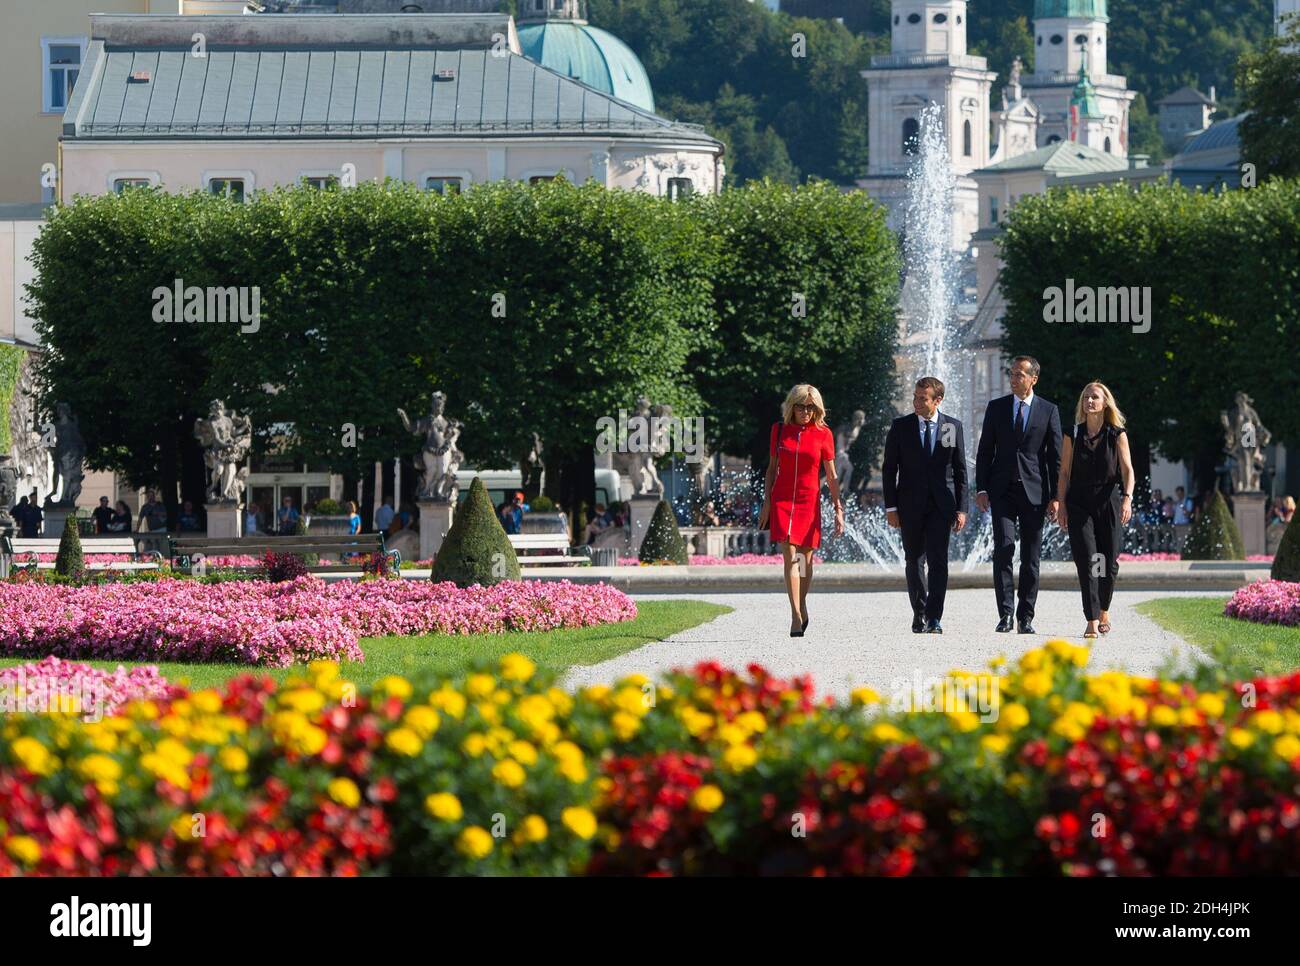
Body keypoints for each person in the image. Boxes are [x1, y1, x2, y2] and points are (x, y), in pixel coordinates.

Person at [975, 355, 1063, 634]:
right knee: (1003, 549)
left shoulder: (1048, 410)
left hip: (1035, 492)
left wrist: (1057, 496)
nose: (1013, 379)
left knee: (1031, 557)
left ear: (1033, 378)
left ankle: (1026, 618)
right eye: (1011, 374)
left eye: (1019, 375)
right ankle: (1005, 615)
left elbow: (1056, 458)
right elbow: (985, 450)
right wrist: (982, 487)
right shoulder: (997, 408)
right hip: (1002, 491)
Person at [883, 376, 968, 634]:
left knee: (938, 561)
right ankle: (918, 612)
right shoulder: (901, 426)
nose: (916, 402)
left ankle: (934, 617)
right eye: (915, 397)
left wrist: (962, 508)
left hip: (942, 506)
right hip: (909, 505)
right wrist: (891, 508)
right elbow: (889, 470)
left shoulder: (951, 427)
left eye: (923, 398)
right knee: (914, 560)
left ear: (937, 400)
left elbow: (960, 470)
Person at [758, 384, 845, 638]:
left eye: (810, 407)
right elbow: (772, 469)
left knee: (806, 561)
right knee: (790, 555)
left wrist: (838, 508)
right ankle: (795, 615)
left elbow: (831, 476)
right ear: (791, 406)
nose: (806, 411)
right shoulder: (779, 431)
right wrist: (766, 503)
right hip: (782, 499)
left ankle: (802, 602)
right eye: (800, 406)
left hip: (809, 500)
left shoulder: (823, 434)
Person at [1055, 382, 1135, 639]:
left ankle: (1104, 608)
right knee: (1088, 561)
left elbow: (1128, 471)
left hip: (1109, 500)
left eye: (1095, 397)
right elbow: (1064, 473)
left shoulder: (1116, 434)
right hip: (1079, 502)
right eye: (1086, 397)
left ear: (1105, 403)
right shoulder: (1072, 434)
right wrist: (1062, 504)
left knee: (1108, 562)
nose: (1089, 401)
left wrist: (1127, 499)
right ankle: (1091, 619)